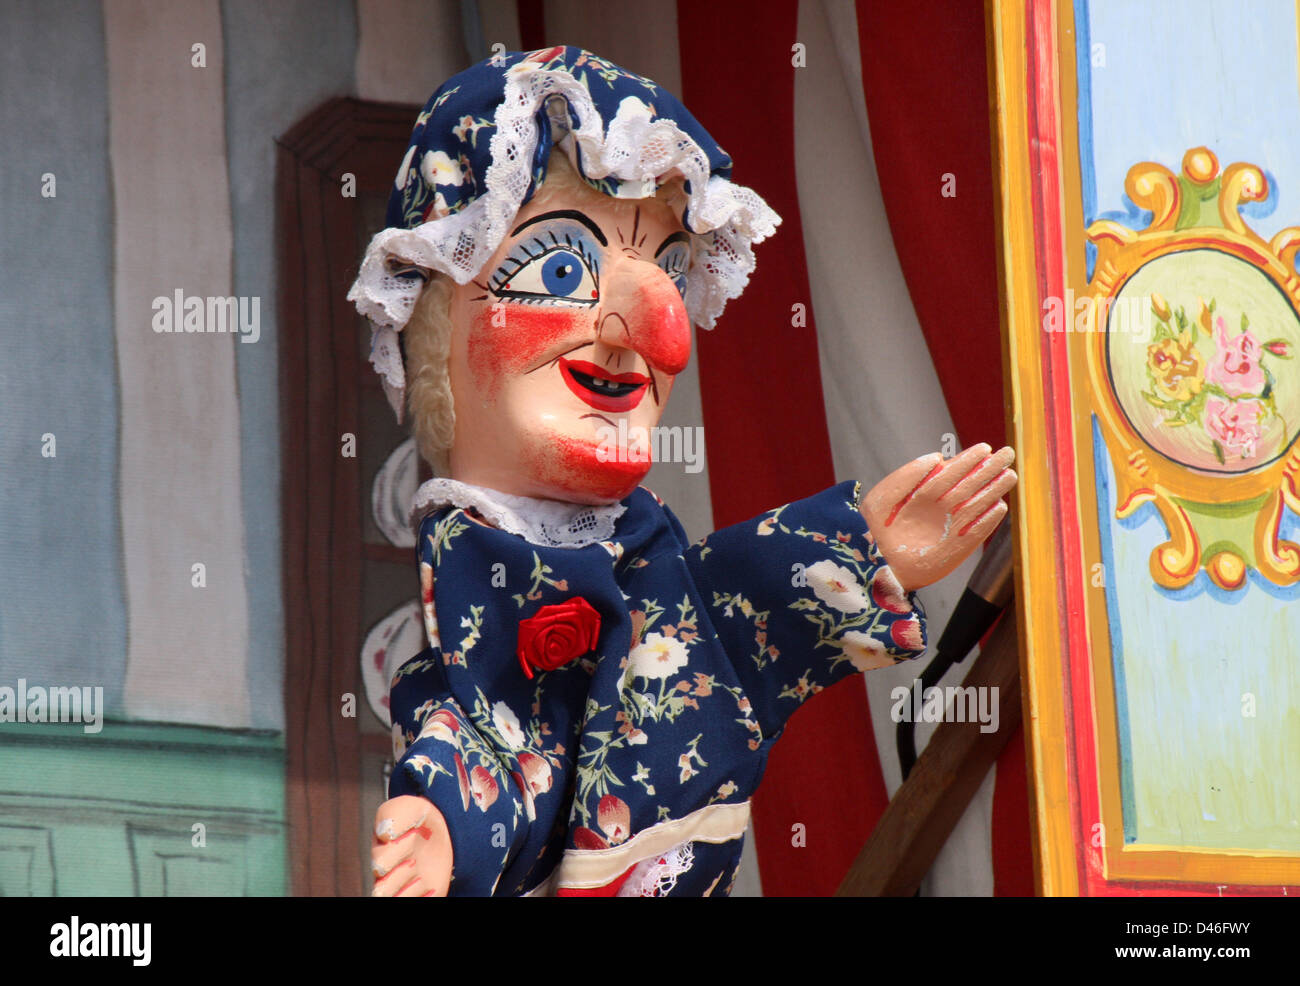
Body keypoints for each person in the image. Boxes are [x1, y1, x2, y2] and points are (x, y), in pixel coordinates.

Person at [351, 46, 1016, 897]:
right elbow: (489, 729)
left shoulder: (642, 549)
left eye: (668, 270)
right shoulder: (481, 560)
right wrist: (447, 824)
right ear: (437, 328)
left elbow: (715, 632)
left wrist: (859, 550)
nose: (657, 329)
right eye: (561, 268)